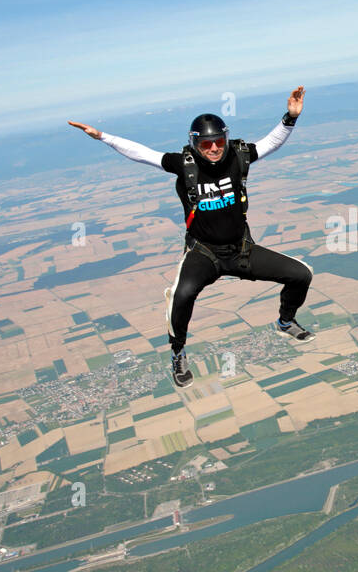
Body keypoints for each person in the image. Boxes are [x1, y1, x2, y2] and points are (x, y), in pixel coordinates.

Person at [69, 87, 314, 387]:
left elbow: (270, 144)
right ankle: (178, 353)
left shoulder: (238, 156)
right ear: (195, 144)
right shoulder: (184, 165)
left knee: (301, 274)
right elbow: (142, 154)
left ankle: (285, 322)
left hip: (242, 251)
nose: (214, 148)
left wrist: (290, 117)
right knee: (181, 296)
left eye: (219, 142)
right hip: (204, 254)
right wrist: (102, 136)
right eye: (207, 143)